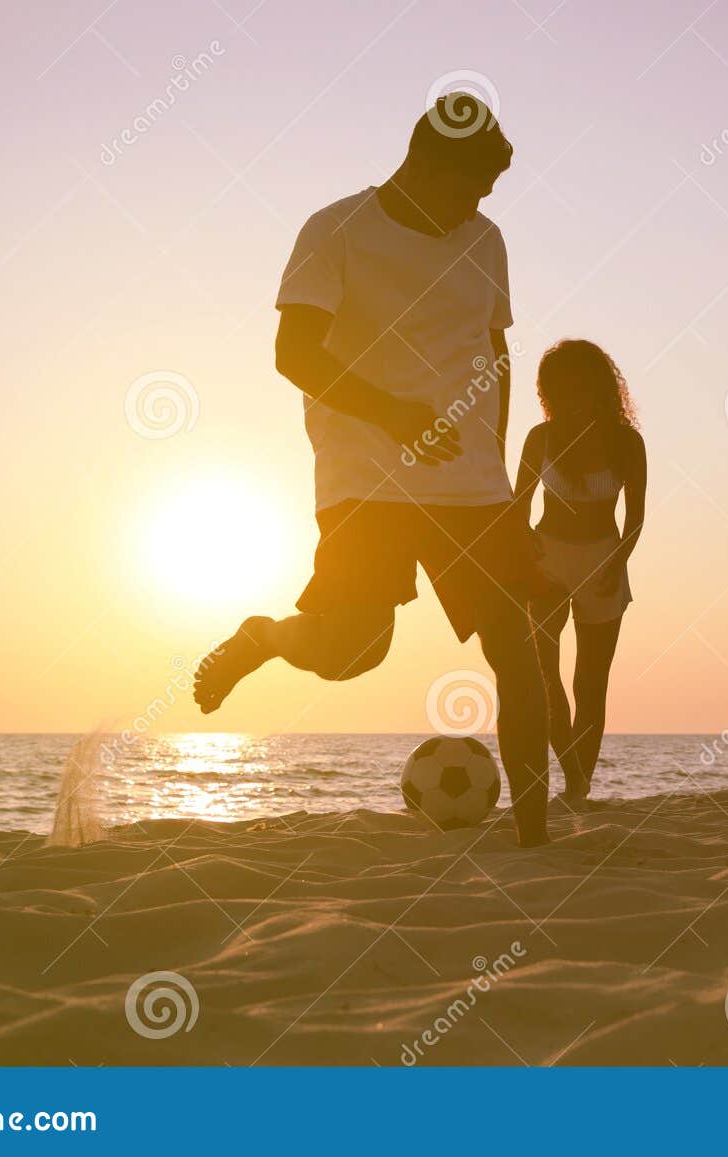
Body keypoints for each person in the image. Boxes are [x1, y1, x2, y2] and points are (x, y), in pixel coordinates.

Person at [192, 95, 553, 847]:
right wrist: (394, 415)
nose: (479, 204)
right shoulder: (335, 229)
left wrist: (495, 455)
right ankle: (266, 638)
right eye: (471, 186)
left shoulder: (486, 240)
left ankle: (534, 835)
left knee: (516, 650)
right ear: (424, 163)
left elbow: (494, 349)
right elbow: (293, 353)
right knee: (354, 651)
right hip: (366, 475)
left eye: (489, 191)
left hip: (471, 484)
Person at [512, 341, 646, 802]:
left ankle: (577, 791)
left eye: (580, 386)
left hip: (605, 562)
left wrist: (619, 561)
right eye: (559, 388)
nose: (571, 397)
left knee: (590, 685)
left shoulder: (627, 442)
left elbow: (635, 517)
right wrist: (527, 547)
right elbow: (518, 504)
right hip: (547, 561)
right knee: (545, 677)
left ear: (600, 387)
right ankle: (573, 775)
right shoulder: (541, 438)